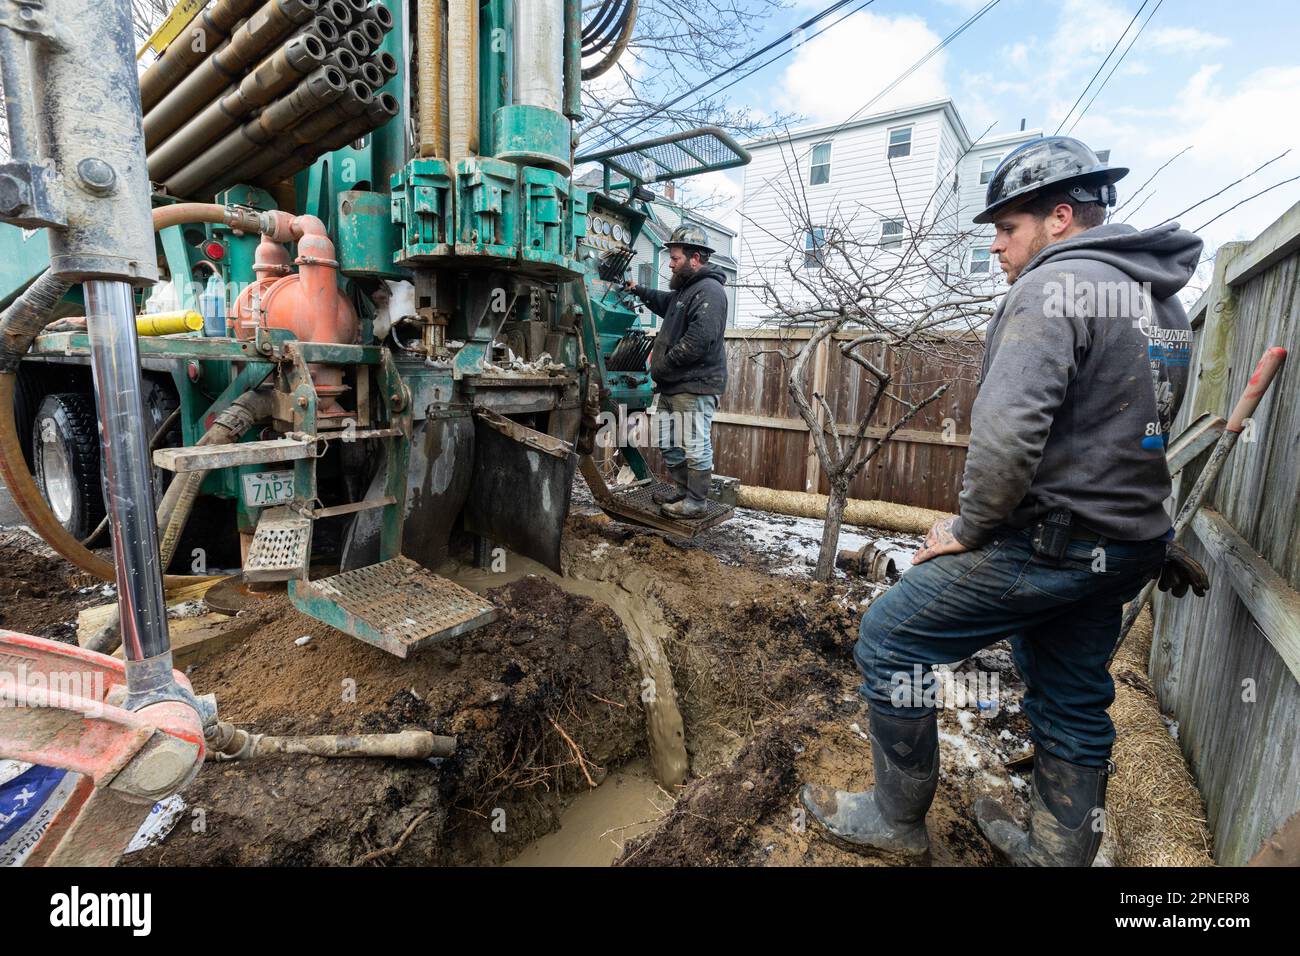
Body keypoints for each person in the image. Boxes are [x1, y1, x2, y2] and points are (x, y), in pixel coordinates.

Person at [799, 137, 1209, 866]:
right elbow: (1138, 432)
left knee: (892, 638)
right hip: (1122, 546)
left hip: (1055, 543)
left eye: (1006, 228)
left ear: (1059, 217)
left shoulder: (1054, 287)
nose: (995, 246)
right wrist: (1147, 532)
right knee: (1072, 694)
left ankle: (896, 821)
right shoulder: (1162, 301)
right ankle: (1055, 855)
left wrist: (971, 526)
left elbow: (1009, 430)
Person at [624, 224, 729, 518]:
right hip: (675, 385)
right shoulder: (686, 291)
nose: (670, 264)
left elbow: (697, 342)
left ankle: (696, 502)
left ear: (695, 259)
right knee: (666, 439)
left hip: (695, 385)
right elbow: (664, 302)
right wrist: (639, 290)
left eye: (675, 258)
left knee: (694, 443)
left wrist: (661, 367)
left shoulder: (710, 291)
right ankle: (684, 492)